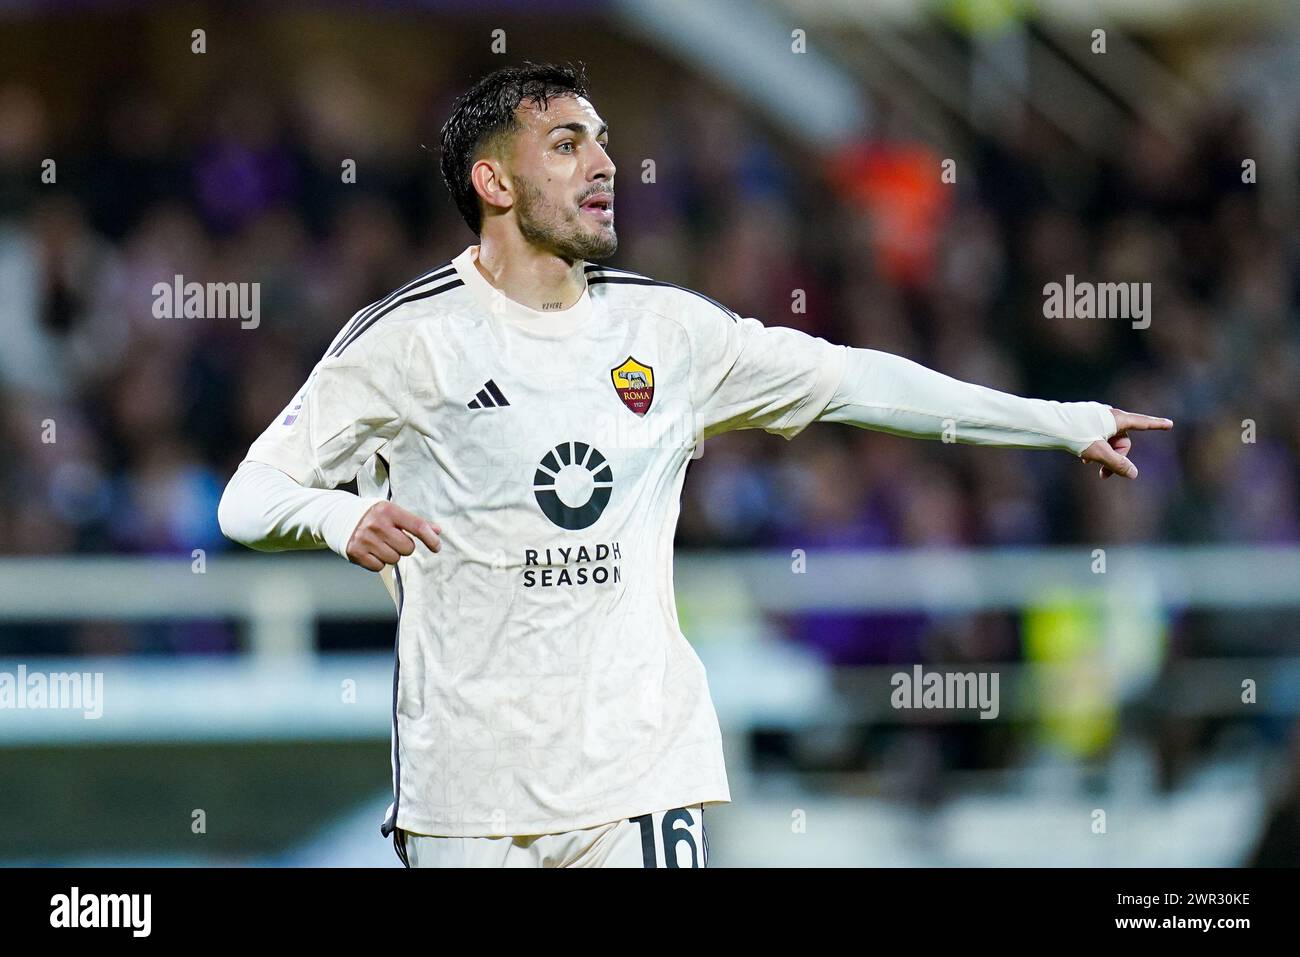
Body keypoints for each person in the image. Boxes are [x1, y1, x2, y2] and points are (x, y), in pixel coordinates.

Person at [217, 62, 1173, 867]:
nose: (603, 165)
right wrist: (338, 518)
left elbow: (852, 379)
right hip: (466, 789)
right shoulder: (404, 342)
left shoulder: (666, 330)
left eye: (602, 141)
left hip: (641, 770)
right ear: (493, 183)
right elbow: (247, 498)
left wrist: (1061, 420)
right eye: (567, 146)